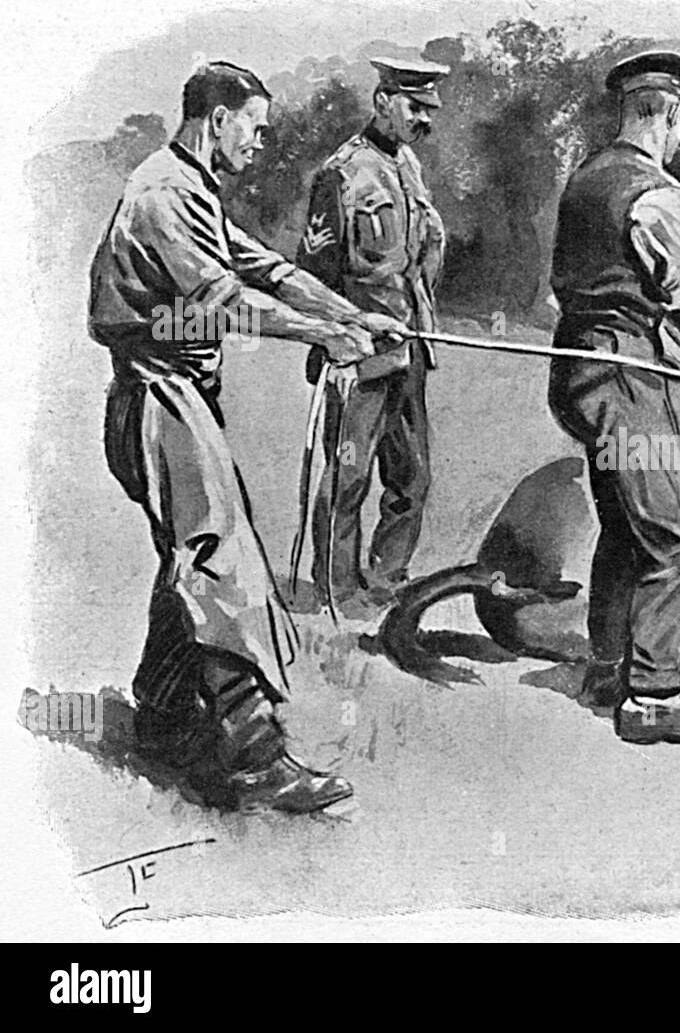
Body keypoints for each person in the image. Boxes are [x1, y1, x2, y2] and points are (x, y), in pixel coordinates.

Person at [89, 62, 401, 813]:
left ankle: (163, 715)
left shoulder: (189, 187)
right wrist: (326, 333)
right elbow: (225, 299)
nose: (260, 141)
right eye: (253, 126)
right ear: (216, 117)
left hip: (174, 395)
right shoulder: (164, 191)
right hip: (157, 395)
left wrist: (352, 317)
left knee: (191, 557)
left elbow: (263, 266)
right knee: (221, 557)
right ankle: (255, 756)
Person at [548, 51, 680, 744]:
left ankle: (609, 669)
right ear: (664, 113)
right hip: (630, 375)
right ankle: (654, 698)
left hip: (579, 374)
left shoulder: (585, 181)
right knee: (676, 534)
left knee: (628, 526)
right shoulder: (655, 194)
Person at [297, 57, 449, 615]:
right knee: (349, 475)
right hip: (360, 357)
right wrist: (332, 340)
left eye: (431, 111)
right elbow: (315, 273)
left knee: (412, 477)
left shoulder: (408, 166)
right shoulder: (342, 173)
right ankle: (335, 592)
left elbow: (421, 254)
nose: (425, 121)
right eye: (415, 107)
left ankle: (386, 582)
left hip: (409, 348)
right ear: (383, 100)